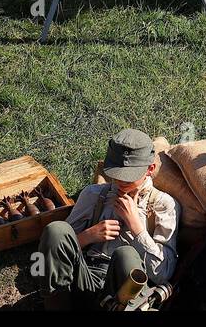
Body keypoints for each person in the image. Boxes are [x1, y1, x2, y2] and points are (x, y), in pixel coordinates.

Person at [35, 129, 179, 309]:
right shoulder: (94, 195)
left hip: (124, 291)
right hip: (85, 278)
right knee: (56, 229)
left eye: (129, 176)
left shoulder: (163, 205)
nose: (120, 181)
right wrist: (89, 236)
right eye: (116, 174)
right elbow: (55, 250)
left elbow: (163, 273)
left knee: (126, 256)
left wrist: (137, 228)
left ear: (150, 169)